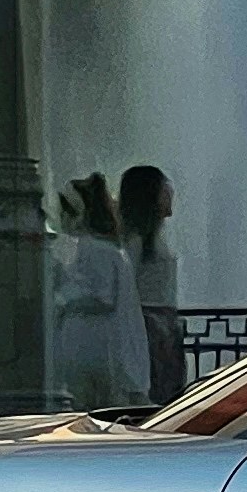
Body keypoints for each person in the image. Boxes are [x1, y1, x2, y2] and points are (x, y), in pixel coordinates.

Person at [47, 172, 151, 413]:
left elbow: (101, 295)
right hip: (101, 348)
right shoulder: (108, 250)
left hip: (96, 348)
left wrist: (63, 300)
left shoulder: (94, 249)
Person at [118, 164, 184, 402]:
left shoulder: (153, 239)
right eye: (164, 190)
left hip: (164, 324)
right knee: (159, 387)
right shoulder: (136, 243)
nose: (170, 194)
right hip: (150, 325)